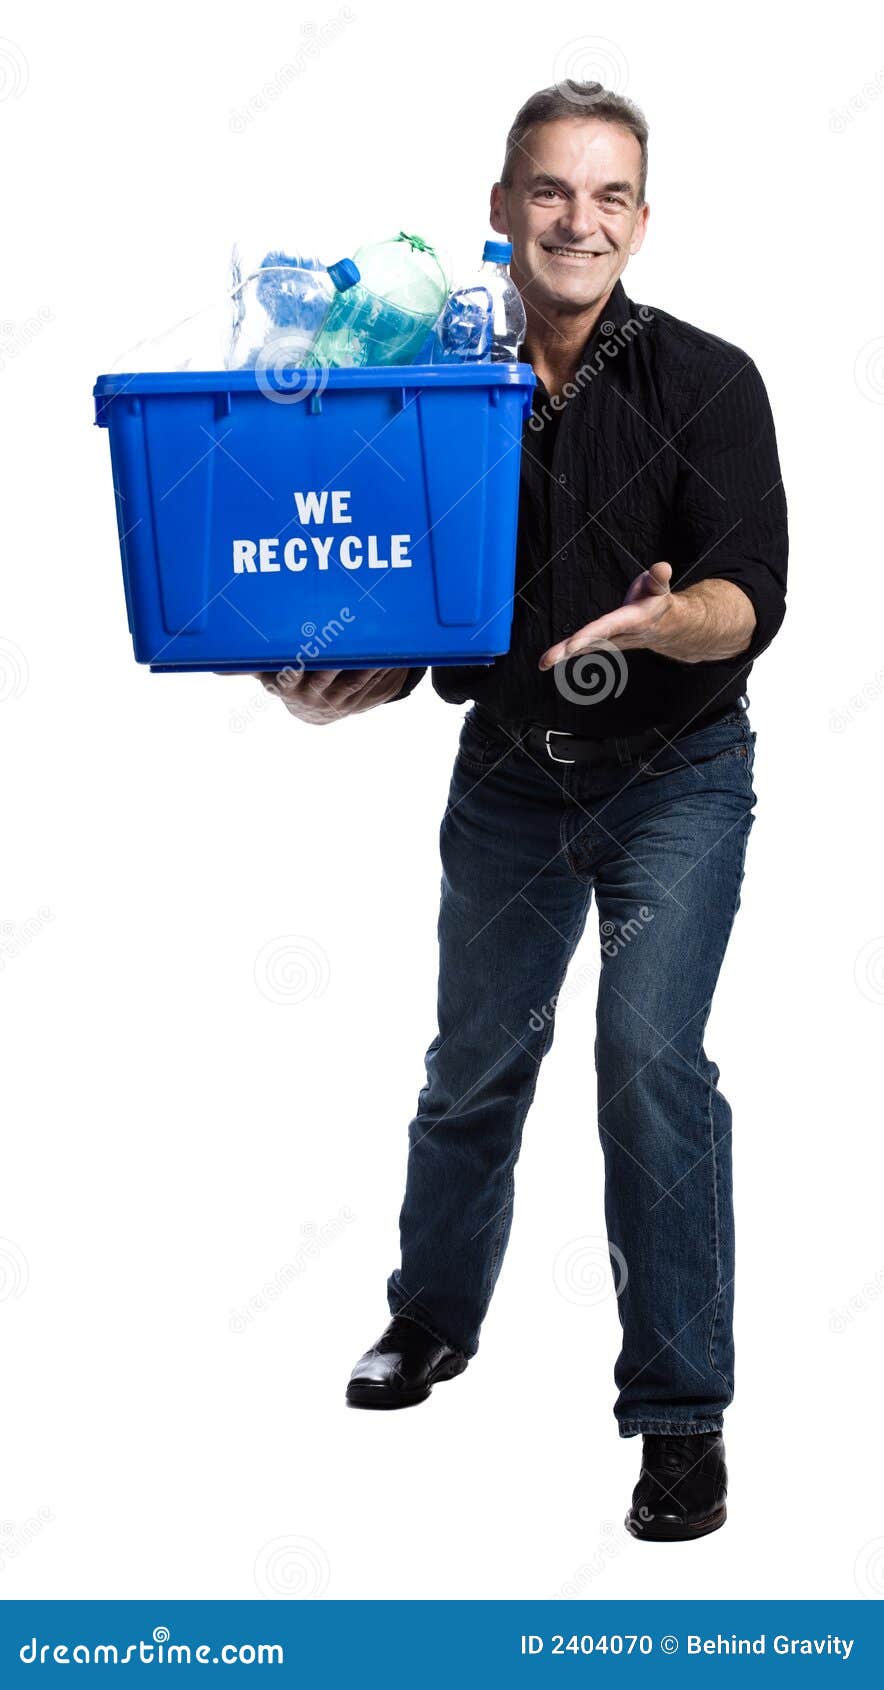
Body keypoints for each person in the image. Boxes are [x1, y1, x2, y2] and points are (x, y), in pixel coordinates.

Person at [258, 82, 788, 1543]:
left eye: (609, 196)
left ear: (641, 221)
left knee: (647, 1057)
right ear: (502, 209)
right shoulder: (437, 395)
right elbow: (413, 615)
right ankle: (429, 1320)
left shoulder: (708, 381)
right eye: (552, 191)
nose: (579, 220)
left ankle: (681, 1420)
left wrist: (668, 622)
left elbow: (753, 600)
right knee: (475, 1058)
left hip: (679, 774)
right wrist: (332, 686)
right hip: (508, 770)